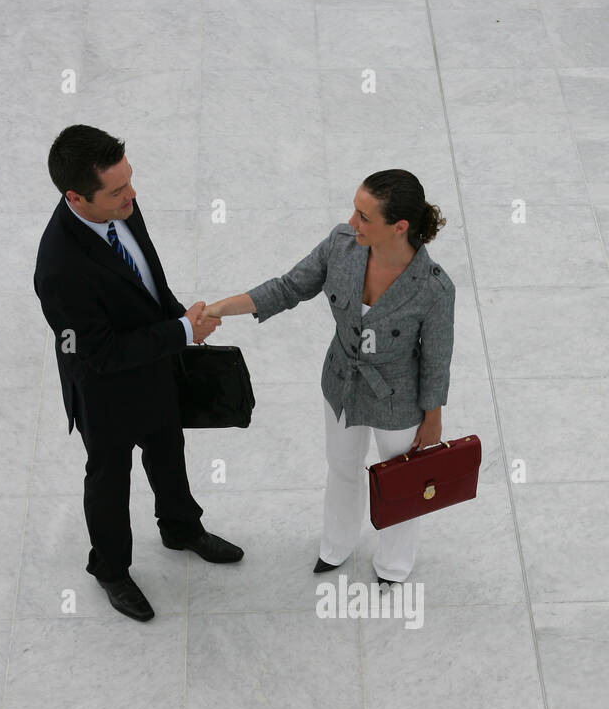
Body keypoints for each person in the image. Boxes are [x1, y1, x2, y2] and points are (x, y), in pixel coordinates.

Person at [203, 169, 455, 585]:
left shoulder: (434, 289)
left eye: (364, 216)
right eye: (354, 211)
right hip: (341, 383)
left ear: (400, 227)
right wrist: (218, 309)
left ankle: (394, 563)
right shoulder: (342, 247)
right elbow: (286, 288)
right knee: (341, 467)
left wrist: (433, 417)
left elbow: (436, 358)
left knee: (403, 479)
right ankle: (337, 545)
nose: (352, 222)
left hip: (399, 398)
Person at [33, 124, 242, 623]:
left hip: (154, 368)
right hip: (105, 391)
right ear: (75, 197)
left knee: (168, 448)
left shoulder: (119, 205)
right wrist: (181, 333)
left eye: (130, 181)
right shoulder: (59, 268)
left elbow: (146, 275)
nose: (132, 194)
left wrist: (180, 320)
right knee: (109, 478)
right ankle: (110, 569)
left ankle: (181, 528)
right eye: (117, 189)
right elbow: (98, 354)